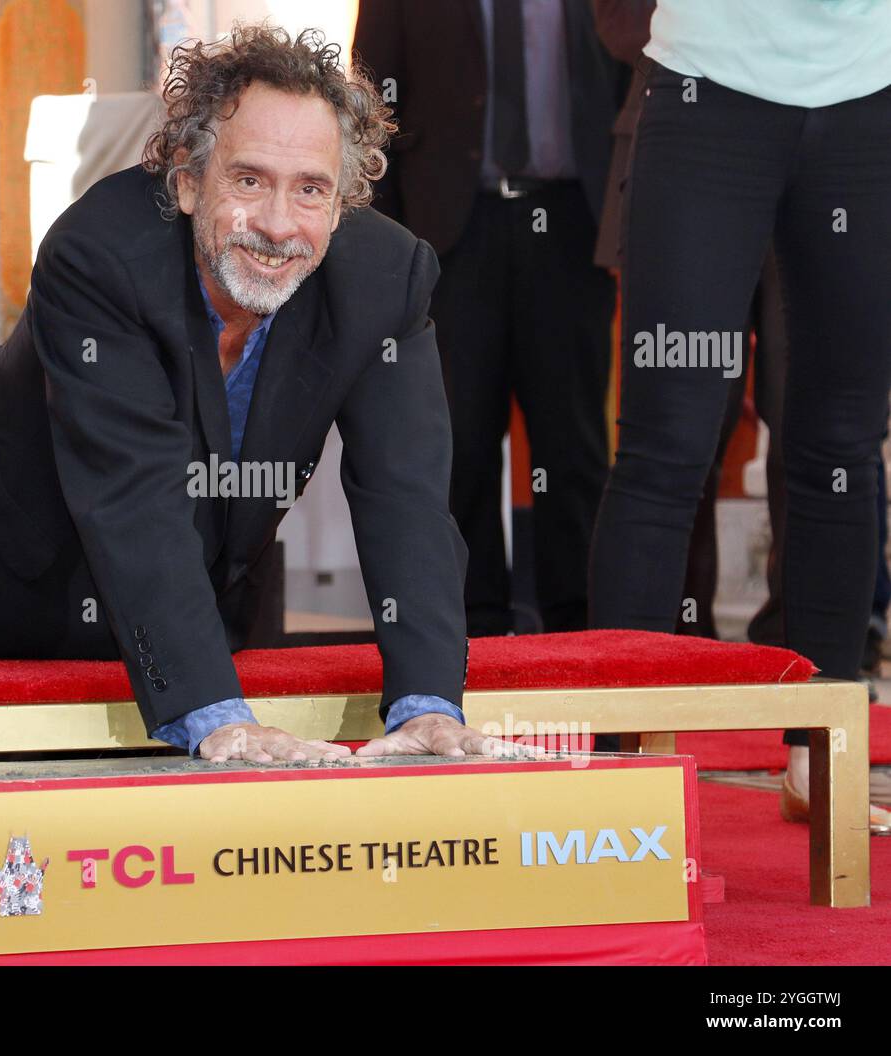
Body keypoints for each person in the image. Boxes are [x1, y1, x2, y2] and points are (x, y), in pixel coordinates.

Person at [0, 23, 509, 770]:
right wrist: (215, 714)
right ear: (189, 181)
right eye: (250, 180)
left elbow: (407, 497)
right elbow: (133, 494)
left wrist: (427, 703)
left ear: (342, 202)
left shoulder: (387, 279)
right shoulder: (101, 253)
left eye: (311, 190)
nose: (277, 225)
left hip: (185, 572)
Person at [587, 0, 891, 829]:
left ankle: (818, 762)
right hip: (706, 88)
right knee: (663, 447)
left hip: (870, 93)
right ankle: (614, 767)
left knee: (841, 445)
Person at [354, 0, 624, 636]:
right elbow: (367, 105)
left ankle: (579, 633)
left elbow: (631, 81)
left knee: (574, 442)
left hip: (571, 228)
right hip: (448, 234)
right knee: (455, 440)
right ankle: (466, 631)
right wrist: (384, 249)